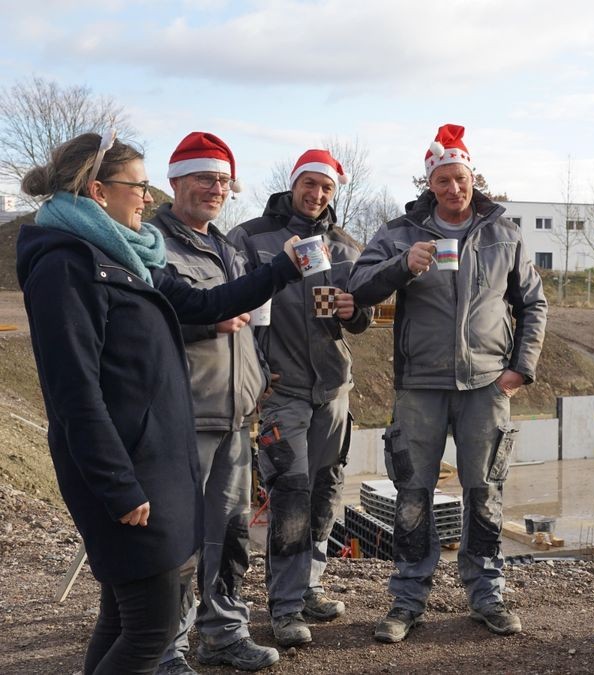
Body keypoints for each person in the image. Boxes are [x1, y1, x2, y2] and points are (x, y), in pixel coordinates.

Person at [15, 132, 299, 675]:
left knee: (125, 619)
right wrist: (117, 484)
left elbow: (205, 302)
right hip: (127, 469)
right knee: (149, 627)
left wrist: (281, 268)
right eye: (139, 186)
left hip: (155, 460)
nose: (149, 199)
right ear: (98, 191)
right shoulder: (66, 265)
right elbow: (73, 392)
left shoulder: (126, 257)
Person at [348, 123, 547, 643]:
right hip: (420, 384)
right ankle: (407, 600)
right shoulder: (401, 232)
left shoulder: (504, 232)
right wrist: (400, 265)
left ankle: (486, 596)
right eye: (443, 181)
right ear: (429, 183)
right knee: (412, 493)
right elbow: (360, 287)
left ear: (472, 177)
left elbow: (533, 303)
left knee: (484, 494)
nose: (453, 189)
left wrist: (520, 368)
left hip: (486, 384)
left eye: (461, 179)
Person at [227, 149, 374, 648]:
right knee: (290, 493)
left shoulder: (345, 245)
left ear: (334, 193)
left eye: (326, 188)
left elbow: (362, 318)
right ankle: (285, 607)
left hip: (332, 387)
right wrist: (254, 374)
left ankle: (308, 586)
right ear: (293, 184)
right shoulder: (250, 237)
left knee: (326, 488)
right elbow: (230, 306)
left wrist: (356, 312)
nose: (316, 195)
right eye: (309, 184)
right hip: (280, 387)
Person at [150, 132, 279, 674]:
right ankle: (163, 648)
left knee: (228, 535)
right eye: (205, 178)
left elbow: (246, 324)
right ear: (176, 180)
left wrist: (259, 376)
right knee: (176, 539)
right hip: (181, 416)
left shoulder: (226, 247)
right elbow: (147, 318)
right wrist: (205, 320)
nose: (216, 189)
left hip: (233, 418)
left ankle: (224, 631)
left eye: (224, 180)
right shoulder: (151, 242)